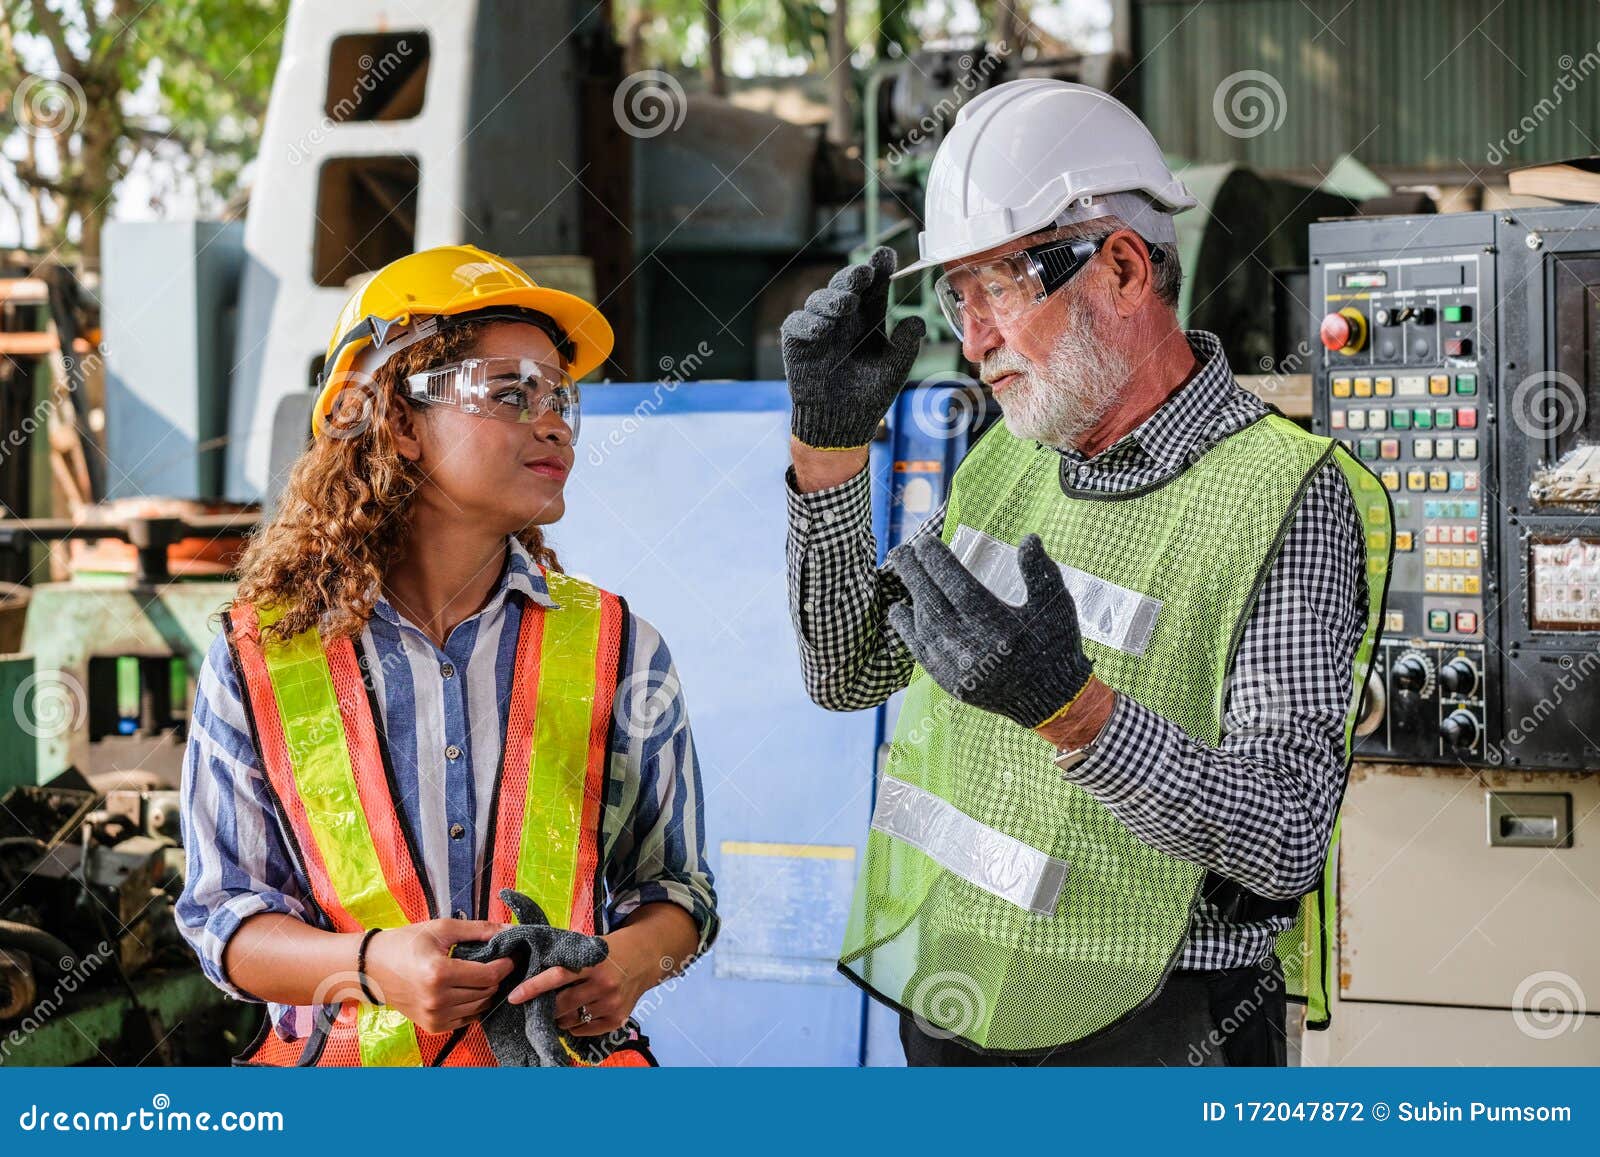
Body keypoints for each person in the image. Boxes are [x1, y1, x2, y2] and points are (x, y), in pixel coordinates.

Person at [780, 80, 1390, 1066]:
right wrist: (827, 452)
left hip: (1153, 1026)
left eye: (999, 289)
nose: (974, 339)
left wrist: (1077, 713)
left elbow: (1284, 834)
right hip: (960, 1002)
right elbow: (846, 671)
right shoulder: (1006, 458)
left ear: (1122, 268)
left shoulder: (1280, 492)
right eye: (958, 296)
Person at [177, 245, 717, 1066]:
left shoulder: (621, 647)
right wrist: (369, 967)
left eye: (561, 398)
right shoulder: (258, 658)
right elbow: (225, 919)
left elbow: (677, 888)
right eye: (511, 392)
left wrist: (628, 964)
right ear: (397, 422)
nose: (554, 422)